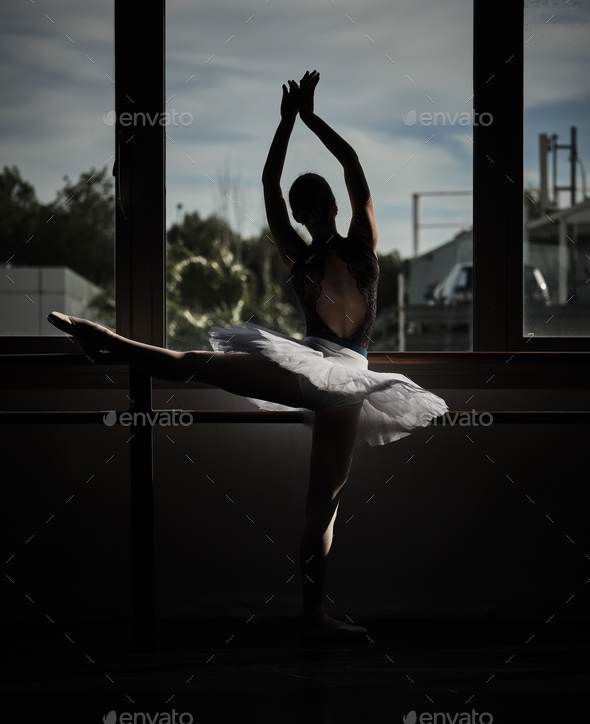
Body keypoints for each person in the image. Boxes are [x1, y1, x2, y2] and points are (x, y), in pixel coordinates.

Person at [47, 70, 448, 644]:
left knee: (192, 364)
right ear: (329, 206)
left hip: (314, 370)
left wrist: (289, 124)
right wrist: (306, 119)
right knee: (322, 504)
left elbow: (278, 183)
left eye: (302, 208)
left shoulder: (308, 253)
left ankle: (101, 338)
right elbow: (345, 167)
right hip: (340, 376)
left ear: (307, 214)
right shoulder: (356, 242)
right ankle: (314, 618)